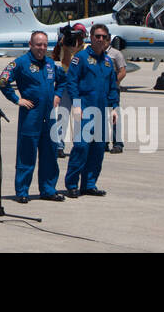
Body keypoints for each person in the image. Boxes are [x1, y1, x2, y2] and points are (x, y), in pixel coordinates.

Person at [0, 30, 65, 202]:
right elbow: (3, 81)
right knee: (27, 154)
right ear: (30, 45)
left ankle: (48, 189)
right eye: (38, 44)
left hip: (49, 116)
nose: (42, 48)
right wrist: (17, 99)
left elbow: (63, 80)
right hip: (30, 116)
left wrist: (58, 95)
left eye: (44, 44)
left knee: (50, 153)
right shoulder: (20, 63)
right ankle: (22, 192)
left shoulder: (50, 63)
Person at [63, 22, 120, 197]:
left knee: (98, 150)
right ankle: (72, 184)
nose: (100, 39)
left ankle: (89, 184)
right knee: (81, 147)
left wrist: (114, 108)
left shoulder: (109, 62)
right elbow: (71, 82)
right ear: (91, 38)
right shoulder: (80, 58)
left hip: (102, 111)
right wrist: (77, 105)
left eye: (104, 37)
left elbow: (113, 87)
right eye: (97, 36)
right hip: (86, 110)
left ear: (108, 40)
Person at [53, 24, 86, 158]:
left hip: (81, 84)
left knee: (80, 115)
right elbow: (67, 63)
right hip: (67, 81)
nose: (76, 38)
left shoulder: (86, 49)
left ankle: (80, 144)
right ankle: (59, 145)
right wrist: (66, 47)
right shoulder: (64, 46)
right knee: (63, 114)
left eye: (79, 35)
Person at [103, 34, 127, 153]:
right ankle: (103, 142)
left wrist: (114, 84)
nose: (102, 41)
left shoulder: (116, 54)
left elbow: (122, 71)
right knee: (101, 116)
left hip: (112, 90)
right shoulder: (96, 53)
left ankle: (118, 143)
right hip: (100, 90)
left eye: (105, 39)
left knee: (114, 116)